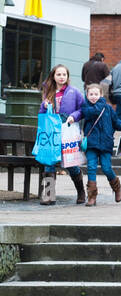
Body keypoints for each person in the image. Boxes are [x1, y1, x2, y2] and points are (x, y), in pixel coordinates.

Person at [37, 65, 87, 206]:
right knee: (49, 162)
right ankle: (48, 195)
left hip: (68, 131)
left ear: (67, 76)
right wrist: (44, 106)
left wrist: (74, 116)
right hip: (52, 133)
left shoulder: (74, 92)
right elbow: (42, 115)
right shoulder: (49, 92)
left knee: (71, 164)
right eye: (58, 74)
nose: (61, 77)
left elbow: (83, 110)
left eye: (64, 74)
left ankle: (81, 192)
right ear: (54, 76)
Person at [79, 81, 121, 206]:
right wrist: (100, 104)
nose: (93, 96)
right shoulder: (86, 108)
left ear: (101, 94)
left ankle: (117, 187)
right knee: (91, 168)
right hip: (91, 144)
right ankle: (92, 197)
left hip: (106, 144)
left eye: (96, 94)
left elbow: (116, 122)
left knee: (106, 168)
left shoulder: (108, 108)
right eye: (91, 94)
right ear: (87, 95)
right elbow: (93, 112)